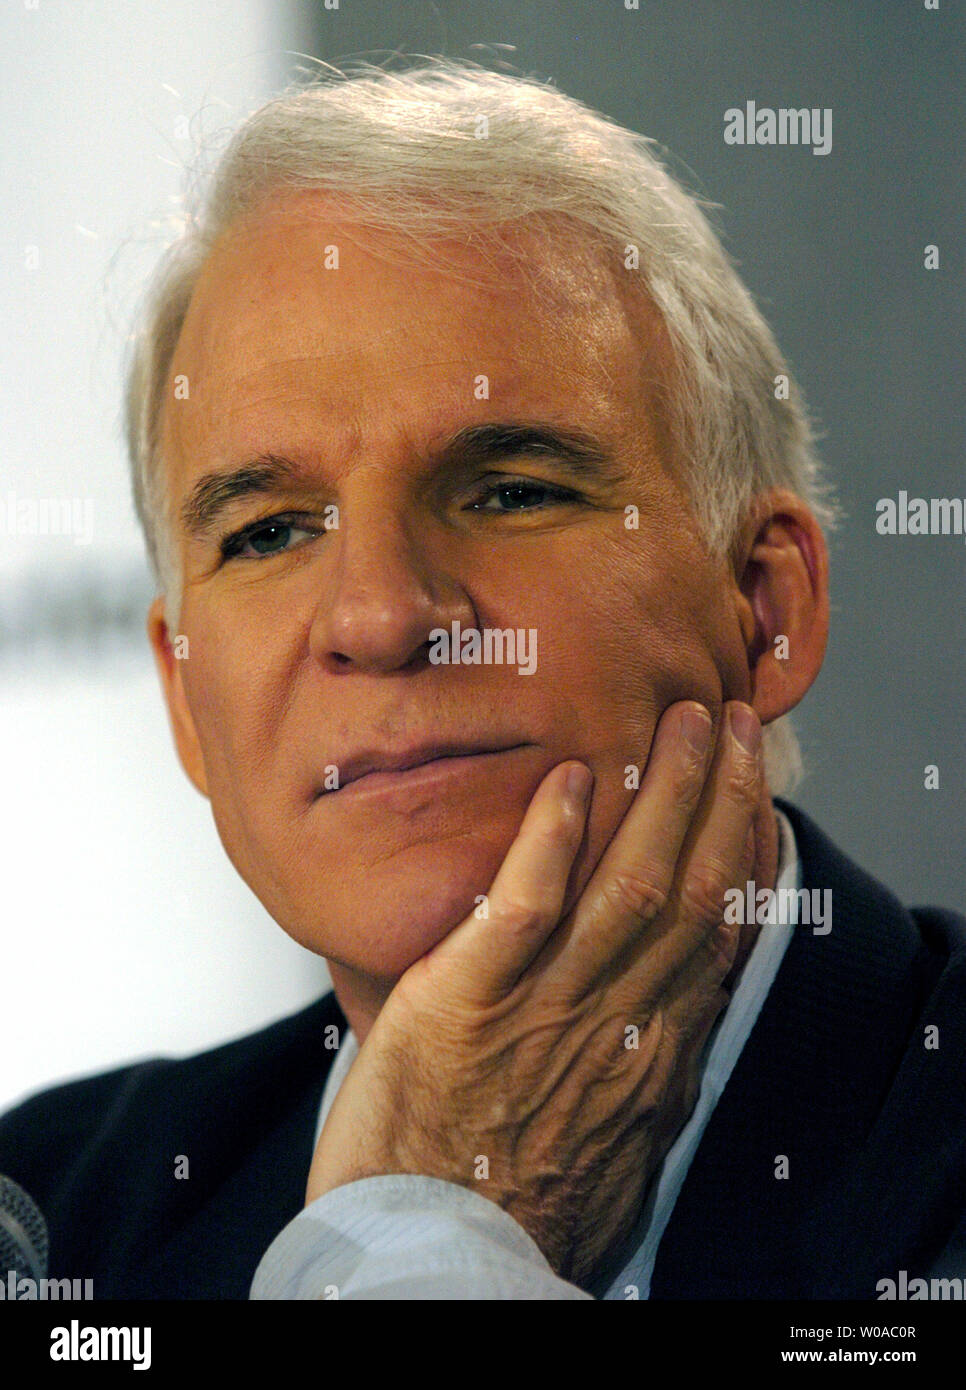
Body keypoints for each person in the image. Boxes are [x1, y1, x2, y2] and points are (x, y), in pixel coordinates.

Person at [2, 60, 963, 1301]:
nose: (382, 615)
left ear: (766, 608)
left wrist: (419, 1243)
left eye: (511, 490)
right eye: (270, 532)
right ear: (186, 700)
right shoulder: (56, 1224)